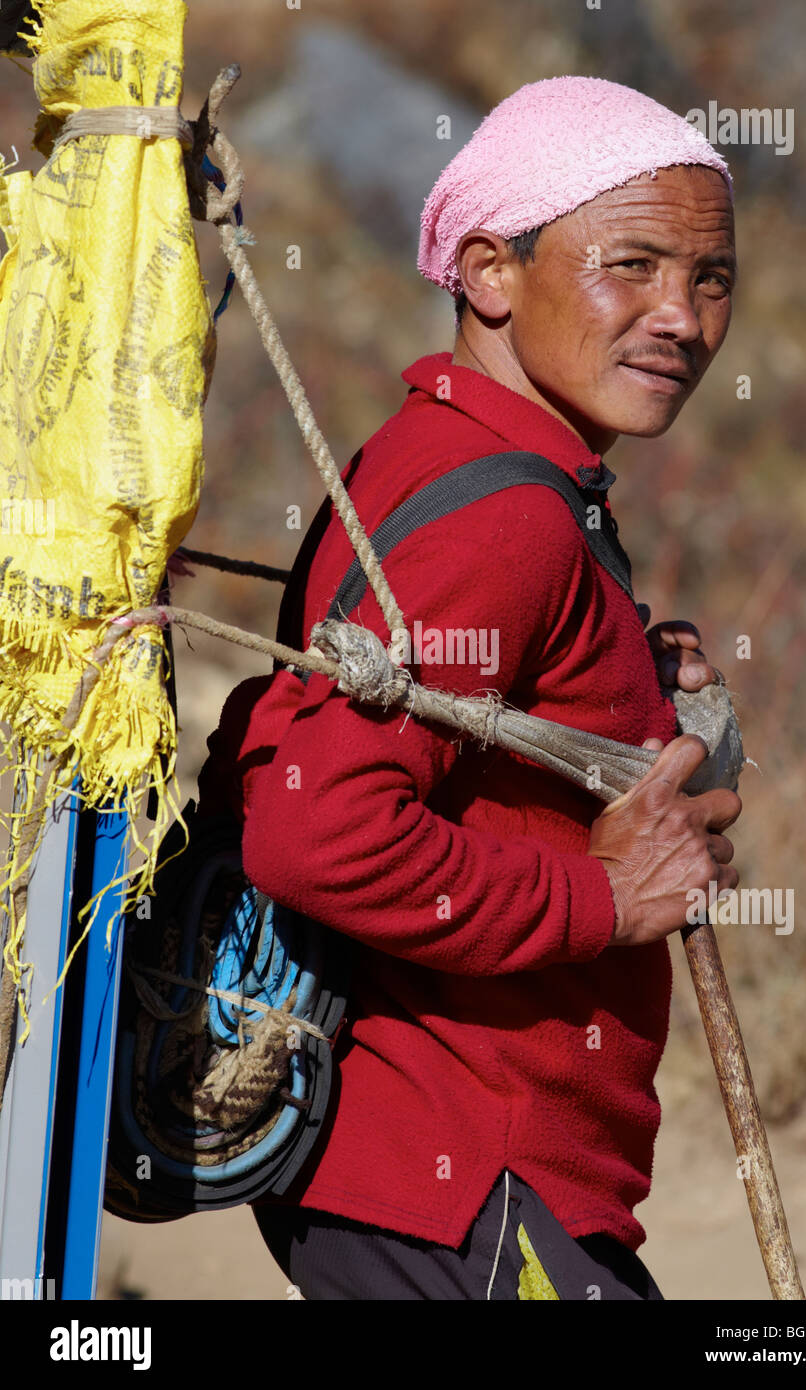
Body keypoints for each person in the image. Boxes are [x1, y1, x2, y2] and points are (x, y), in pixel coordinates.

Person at [197, 75, 742, 1300]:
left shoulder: (450, 457)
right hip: (471, 1186)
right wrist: (603, 897)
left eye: (710, 278)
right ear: (491, 273)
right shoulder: (506, 513)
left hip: (439, 1187)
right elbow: (314, 829)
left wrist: (633, 703)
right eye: (634, 264)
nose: (682, 318)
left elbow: (465, 739)